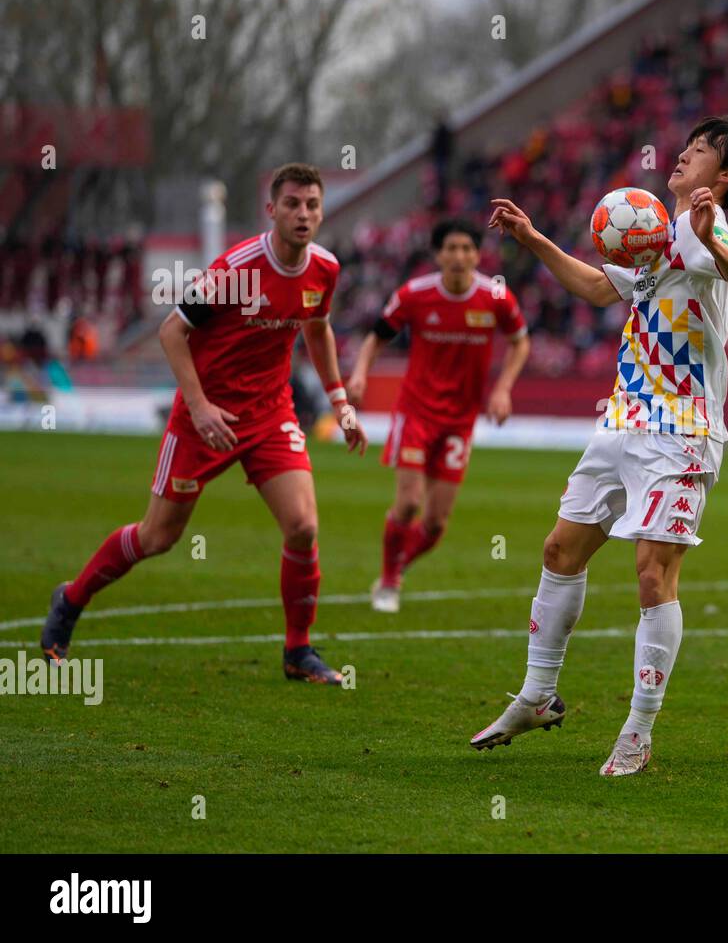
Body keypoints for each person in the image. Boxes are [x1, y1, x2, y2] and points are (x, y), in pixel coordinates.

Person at [472, 114, 728, 776]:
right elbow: (595, 286)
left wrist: (711, 236)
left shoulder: (706, 231)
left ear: (725, 175)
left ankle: (639, 732)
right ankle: (536, 696)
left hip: (682, 432)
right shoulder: (658, 233)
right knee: (561, 549)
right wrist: (532, 239)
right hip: (623, 420)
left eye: (700, 151)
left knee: (652, 574)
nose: (682, 155)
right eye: (687, 145)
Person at [41, 163, 367, 684]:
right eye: (292, 204)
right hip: (203, 417)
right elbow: (172, 331)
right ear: (272, 210)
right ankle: (71, 599)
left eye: (312, 205)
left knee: (303, 526)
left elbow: (318, 328)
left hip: (269, 414)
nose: (303, 214)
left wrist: (340, 401)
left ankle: (298, 650)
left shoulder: (324, 268)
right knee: (158, 537)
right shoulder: (236, 269)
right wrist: (198, 406)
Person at [347, 219, 529, 611]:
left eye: (468, 248)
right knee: (408, 504)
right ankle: (390, 582)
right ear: (438, 254)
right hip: (416, 412)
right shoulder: (414, 295)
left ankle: (393, 567)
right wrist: (360, 375)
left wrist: (502, 389)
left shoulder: (495, 296)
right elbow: (376, 337)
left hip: (460, 421)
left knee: (434, 526)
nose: (460, 256)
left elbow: (520, 342)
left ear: (478, 255)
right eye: (452, 248)